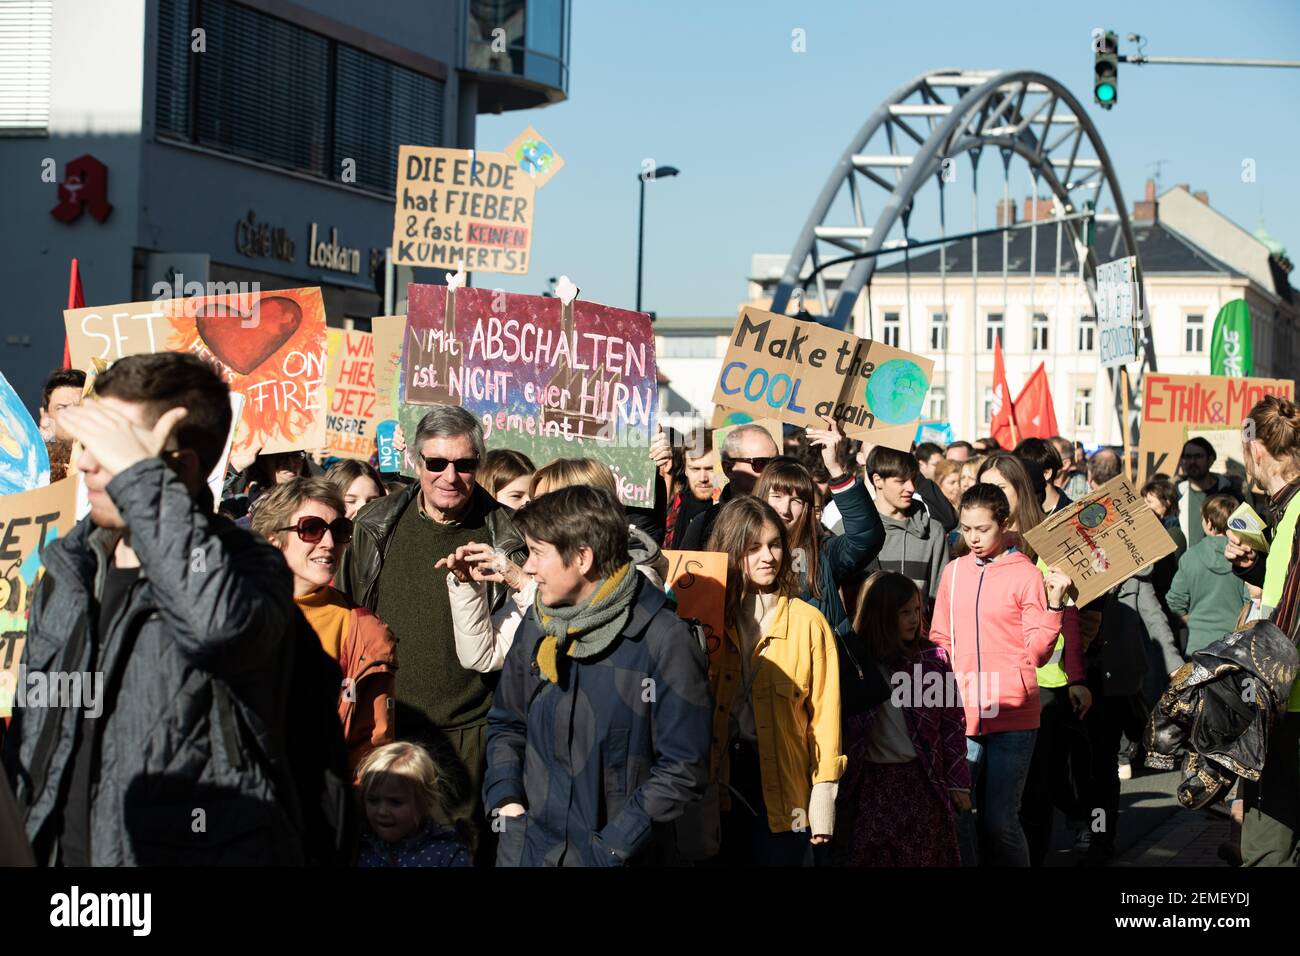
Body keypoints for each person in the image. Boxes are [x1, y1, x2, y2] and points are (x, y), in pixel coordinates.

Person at [3, 353, 305, 865]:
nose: (82, 462)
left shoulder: (248, 568)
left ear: (175, 468)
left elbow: (215, 627)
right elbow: (39, 727)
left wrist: (143, 481)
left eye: (110, 449)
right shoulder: (69, 568)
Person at [484, 486, 712, 867]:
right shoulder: (539, 622)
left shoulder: (663, 639)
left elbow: (683, 768)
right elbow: (507, 724)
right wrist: (507, 804)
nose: (527, 568)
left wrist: (613, 847)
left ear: (583, 558)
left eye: (538, 553)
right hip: (529, 851)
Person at [337, 405, 526, 860]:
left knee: (466, 852)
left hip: (471, 733)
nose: (450, 475)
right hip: (389, 731)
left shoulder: (510, 534)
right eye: (436, 463)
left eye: (463, 464)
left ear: (478, 465)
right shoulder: (374, 526)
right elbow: (346, 616)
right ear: (417, 463)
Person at [929, 484, 1072, 867]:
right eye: (966, 528)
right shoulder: (953, 572)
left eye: (982, 529)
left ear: (1005, 524)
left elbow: (1039, 654)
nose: (972, 538)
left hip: (1012, 713)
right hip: (962, 714)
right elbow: (939, 637)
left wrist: (1054, 606)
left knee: (1000, 822)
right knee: (959, 814)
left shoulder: (1025, 573)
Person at [706, 496, 844, 866]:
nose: (768, 556)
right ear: (731, 551)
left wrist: (823, 800)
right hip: (716, 786)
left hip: (784, 790)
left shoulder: (808, 621)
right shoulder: (706, 618)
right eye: (753, 548)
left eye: (775, 544)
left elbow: (826, 721)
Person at [975, 453, 1091, 865]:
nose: (993, 499)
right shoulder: (969, 548)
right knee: (988, 800)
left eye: (1001, 490)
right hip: (985, 688)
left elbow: (1070, 616)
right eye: (986, 489)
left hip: (1042, 687)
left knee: (1032, 797)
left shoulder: (1049, 544)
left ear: (1020, 494)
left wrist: (1076, 677)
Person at [252, 478, 397, 769]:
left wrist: (347, 808)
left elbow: (370, 748)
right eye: (311, 529)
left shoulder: (364, 629)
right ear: (273, 539)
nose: (329, 543)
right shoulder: (230, 611)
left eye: (340, 531)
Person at [834, 572, 970, 866]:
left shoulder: (932, 659)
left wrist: (958, 781)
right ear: (881, 616)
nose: (913, 619)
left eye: (917, 610)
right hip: (870, 783)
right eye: (904, 612)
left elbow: (952, 723)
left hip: (921, 779)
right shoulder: (855, 661)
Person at [1223, 396, 1300, 866]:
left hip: (1288, 704)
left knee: (1267, 849)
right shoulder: (1284, 510)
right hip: (1286, 700)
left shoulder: (1296, 510)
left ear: (1258, 451)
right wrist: (1255, 564)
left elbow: (1286, 621)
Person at [356, 742, 471, 867]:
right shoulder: (359, 847)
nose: (382, 811)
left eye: (395, 802)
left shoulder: (447, 855)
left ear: (425, 802)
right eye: (373, 800)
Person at [1167, 494, 1252, 657]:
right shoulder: (1244, 558)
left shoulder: (1190, 557)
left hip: (1197, 648)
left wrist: (1195, 622)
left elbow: (1174, 604)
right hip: (1234, 649)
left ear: (1209, 523)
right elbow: (1250, 604)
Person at [866, 446, 949, 608]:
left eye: (912, 479)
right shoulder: (850, 531)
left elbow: (940, 602)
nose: (911, 488)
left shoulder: (933, 532)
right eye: (901, 481)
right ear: (877, 480)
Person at [678, 423, 780, 551]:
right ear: (728, 468)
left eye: (777, 464)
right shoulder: (705, 524)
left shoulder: (788, 513)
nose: (772, 472)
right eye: (760, 463)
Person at [1177, 437, 1243, 548]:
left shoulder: (1231, 495)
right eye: (1188, 457)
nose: (1192, 461)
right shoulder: (1175, 494)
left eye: (1198, 456)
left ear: (1211, 460)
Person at [663, 429, 717, 549]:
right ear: (686, 469)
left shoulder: (732, 511)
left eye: (710, 469)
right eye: (695, 469)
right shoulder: (675, 509)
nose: (703, 478)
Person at [1015, 437, 1072, 515]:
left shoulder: (1073, 516)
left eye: (1024, 472)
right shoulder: (1016, 515)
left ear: (1046, 473)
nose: (1016, 478)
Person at [38, 368, 85, 443]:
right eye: (62, 408)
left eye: (80, 407)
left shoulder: (108, 452)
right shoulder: (34, 453)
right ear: (46, 415)